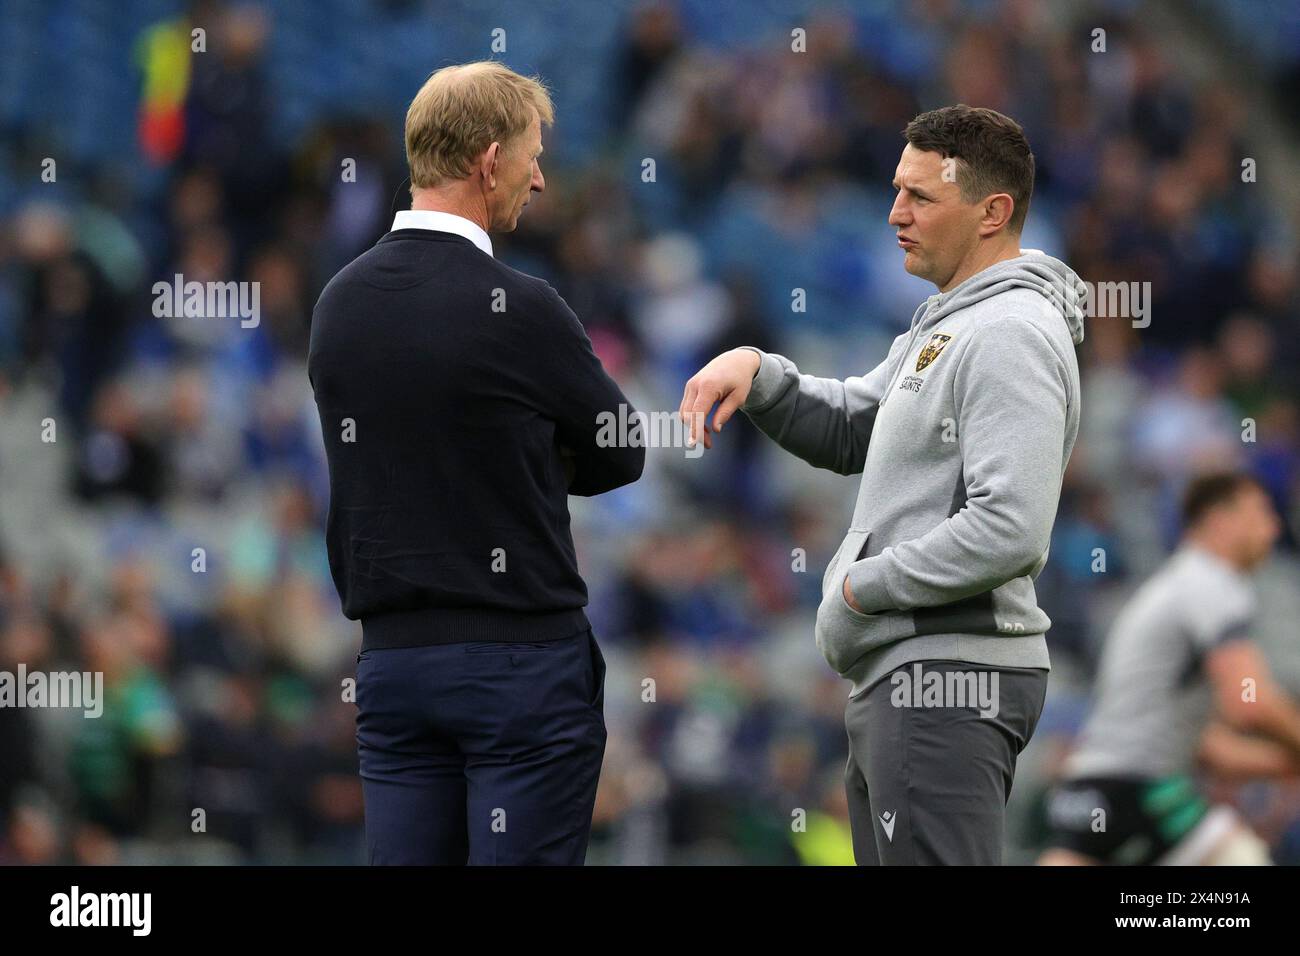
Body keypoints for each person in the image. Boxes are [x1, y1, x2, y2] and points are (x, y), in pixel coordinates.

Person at [681, 105, 1085, 864]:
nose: (895, 212)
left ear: (993, 212)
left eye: (922, 197)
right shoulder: (948, 324)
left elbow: (1011, 526)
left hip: (946, 678)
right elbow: (852, 428)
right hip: (911, 676)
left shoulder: (1008, 332)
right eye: (898, 189)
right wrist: (760, 372)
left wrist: (867, 586)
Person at [308, 61, 644, 865]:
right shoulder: (522, 306)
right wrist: (522, 454)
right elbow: (620, 450)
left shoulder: (338, 305)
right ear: (490, 160)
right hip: (519, 670)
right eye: (532, 155)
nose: (538, 179)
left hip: (392, 669)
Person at [1039, 471, 1296, 865]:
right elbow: (1251, 702)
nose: (1273, 527)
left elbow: (1211, 751)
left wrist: (1286, 762)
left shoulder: (1171, 587)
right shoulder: (1214, 583)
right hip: (1139, 790)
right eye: (1260, 513)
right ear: (1218, 518)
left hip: (1091, 790)